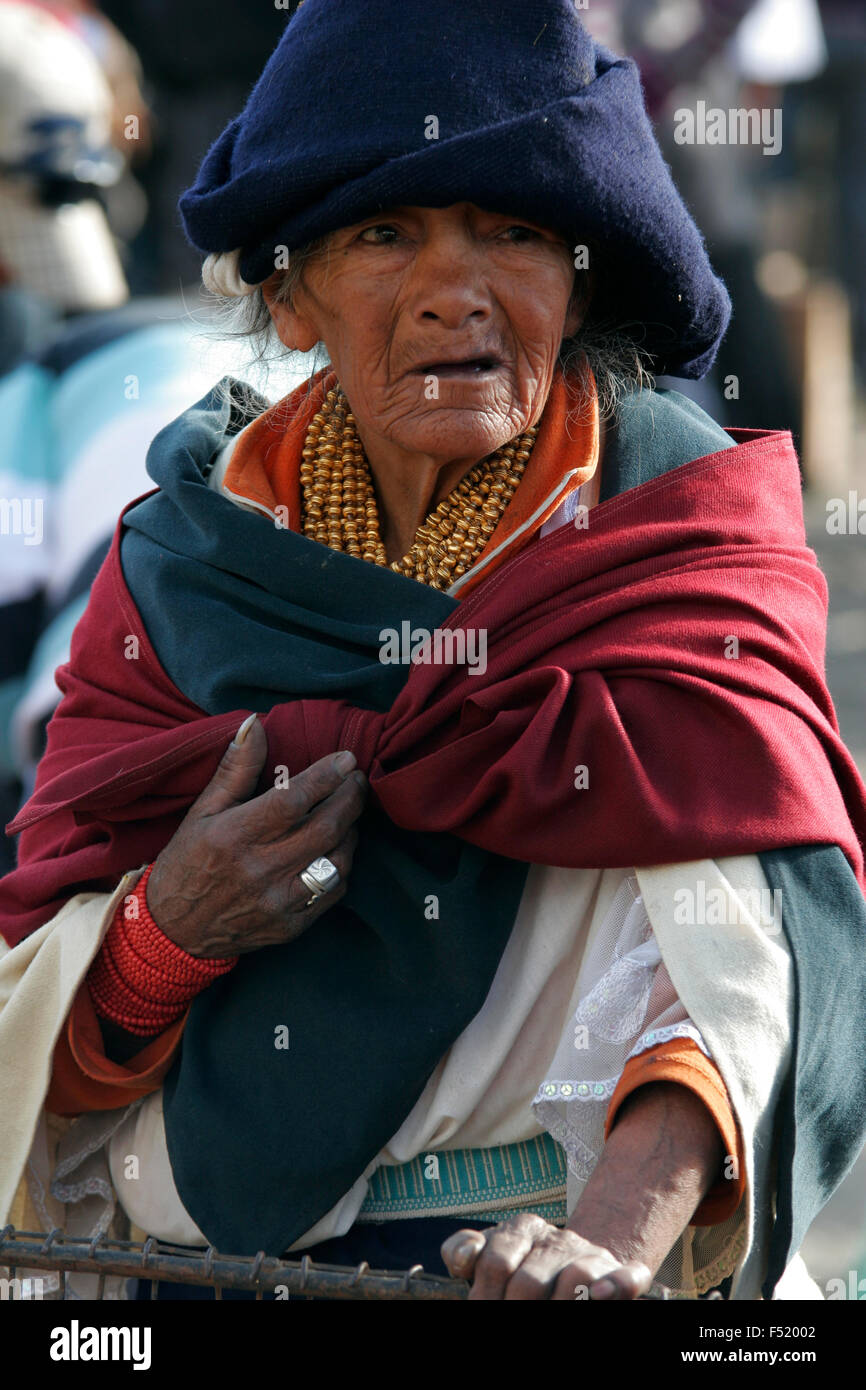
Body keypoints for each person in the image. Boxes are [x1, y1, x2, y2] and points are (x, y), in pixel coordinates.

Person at [1, 0, 865, 1303]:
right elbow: (41, 1018)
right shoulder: (183, 558)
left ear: (585, 274)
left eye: (512, 231)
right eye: (383, 235)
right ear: (289, 297)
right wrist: (164, 932)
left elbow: (755, 956)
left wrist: (603, 1248)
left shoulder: (673, 532)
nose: (454, 288)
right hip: (204, 1264)